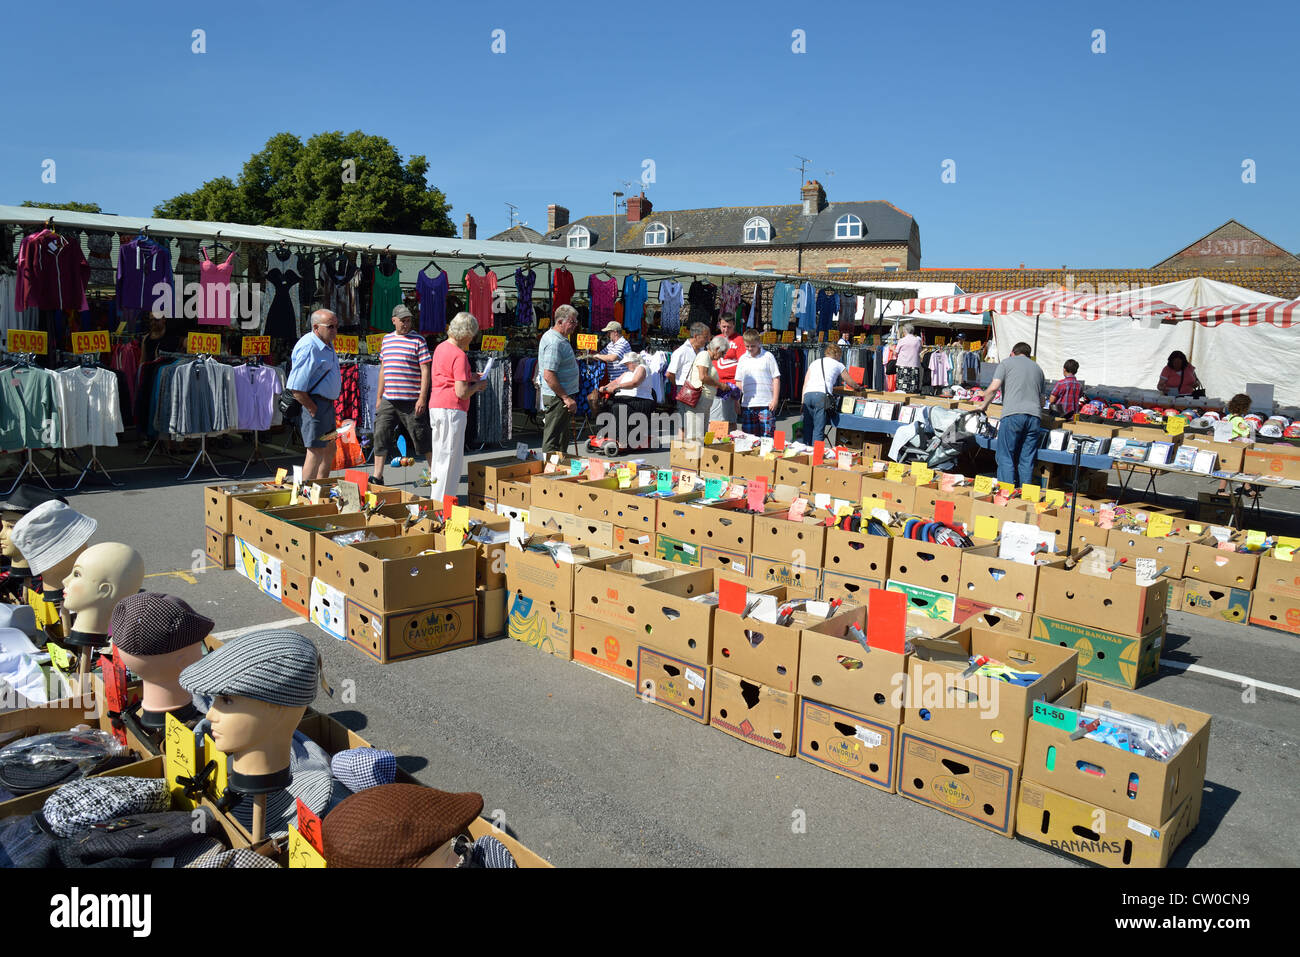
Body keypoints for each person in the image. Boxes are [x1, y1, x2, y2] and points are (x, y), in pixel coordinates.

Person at [428, 312, 488, 500]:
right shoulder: (459, 355)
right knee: (450, 459)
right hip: (451, 410)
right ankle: (443, 504)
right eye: (472, 334)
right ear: (466, 333)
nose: (472, 338)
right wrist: (477, 386)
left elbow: (447, 376)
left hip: (437, 405)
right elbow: (461, 392)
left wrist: (470, 377)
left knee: (440, 458)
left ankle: (438, 500)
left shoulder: (441, 348)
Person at [372, 305, 432, 485]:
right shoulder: (387, 340)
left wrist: (422, 397)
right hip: (389, 399)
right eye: (403, 320)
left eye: (408, 320)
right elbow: (383, 369)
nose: (406, 324)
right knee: (381, 434)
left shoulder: (418, 340)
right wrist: (378, 396)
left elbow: (425, 370)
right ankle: (377, 475)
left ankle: (433, 471)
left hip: (412, 399)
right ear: (394, 320)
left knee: (421, 435)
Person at [977, 342, 1046, 487]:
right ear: (1028, 355)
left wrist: (983, 401)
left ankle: (1007, 493)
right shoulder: (1038, 369)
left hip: (1013, 414)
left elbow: (994, 387)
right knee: (1026, 459)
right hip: (1034, 417)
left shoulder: (1006, 363)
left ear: (1013, 352)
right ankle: (1025, 495)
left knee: (1005, 456)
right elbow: (1042, 401)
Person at [287, 309, 342, 481]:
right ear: (316, 327)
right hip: (316, 405)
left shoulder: (325, 342)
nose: (335, 330)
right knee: (315, 450)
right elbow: (295, 387)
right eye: (330, 326)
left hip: (326, 406)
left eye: (336, 326)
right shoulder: (310, 346)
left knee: (330, 447)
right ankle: (304, 496)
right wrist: (312, 408)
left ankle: (320, 486)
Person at [539, 304, 580, 455]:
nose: (575, 325)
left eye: (576, 321)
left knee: (561, 436)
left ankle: (558, 470)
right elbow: (549, 374)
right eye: (572, 321)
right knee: (553, 439)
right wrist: (566, 398)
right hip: (558, 397)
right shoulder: (554, 342)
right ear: (560, 321)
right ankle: (548, 473)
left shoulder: (559, 338)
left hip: (560, 397)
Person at [802, 343, 858, 444]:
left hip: (807, 395)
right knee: (818, 430)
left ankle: (805, 454)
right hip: (820, 396)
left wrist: (802, 402)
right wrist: (858, 387)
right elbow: (849, 381)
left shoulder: (814, 362)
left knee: (807, 428)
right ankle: (816, 458)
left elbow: (805, 383)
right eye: (840, 356)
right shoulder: (838, 364)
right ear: (836, 354)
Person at [677, 334, 725, 442]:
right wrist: (720, 385)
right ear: (717, 349)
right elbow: (703, 377)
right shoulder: (704, 355)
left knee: (700, 435)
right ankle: (693, 457)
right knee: (696, 435)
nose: (722, 356)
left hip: (704, 401)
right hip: (699, 400)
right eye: (722, 352)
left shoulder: (707, 358)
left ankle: (698, 456)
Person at [735, 329, 781, 438]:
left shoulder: (768, 356)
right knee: (749, 438)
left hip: (766, 404)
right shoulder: (742, 359)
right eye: (747, 346)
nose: (750, 349)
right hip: (748, 404)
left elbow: (776, 378)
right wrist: (736, 401)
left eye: (753, 346)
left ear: (759, 343)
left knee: (767, 437)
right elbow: (738, 382)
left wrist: (775, 399)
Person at [709, 316, 746, 427]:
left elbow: (742, 364)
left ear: (734, 325)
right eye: (723, 326)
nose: (725, 329)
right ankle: (714, 444)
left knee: (730, 421)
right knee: (714, 420)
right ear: (719, 325)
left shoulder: (739, 340)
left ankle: (730, 442)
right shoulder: (717, 338)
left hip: (730, 387)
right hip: (715, 385)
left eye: (729, 327)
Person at [666, 322, 709, 399]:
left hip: (699, 391)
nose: (707, 340)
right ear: (696, 336)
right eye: (705, 337)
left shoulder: (702, 351)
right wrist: (679, 387)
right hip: (685, 390)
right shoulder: (681, 351)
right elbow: (669, 374)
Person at [895, 323, 923, 394]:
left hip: (902, 365)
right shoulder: (918, 341)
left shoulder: (902, 340)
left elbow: (896, 352)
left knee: (901, 387)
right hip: (914, 365)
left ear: (905, 331)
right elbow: (919, 351)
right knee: (913, 386)